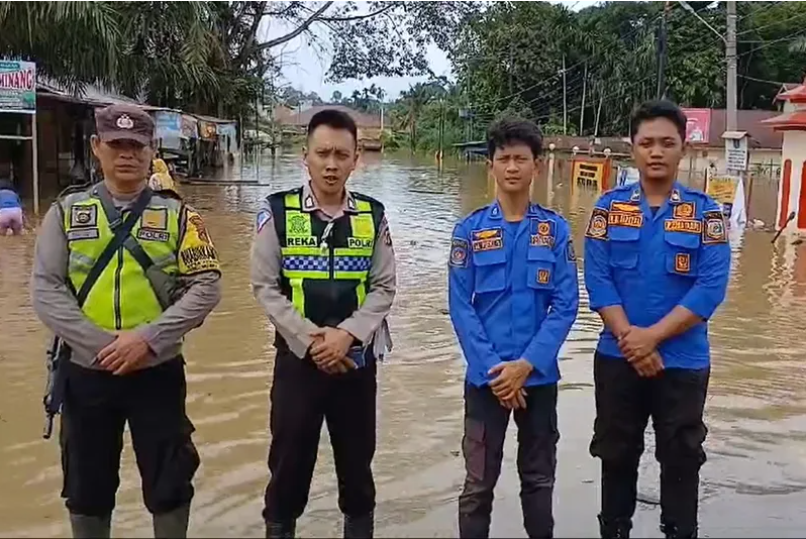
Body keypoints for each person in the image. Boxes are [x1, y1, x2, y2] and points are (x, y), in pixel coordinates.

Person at [31, 104, 222, 539]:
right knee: (86, 487)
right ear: (97, 147)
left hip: (157, 372)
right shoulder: (66, 213)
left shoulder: (180, 216)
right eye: (116, 144)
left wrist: (148, 340)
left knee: (171, 481)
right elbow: (46, 290)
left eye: (136, 145)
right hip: (85, 374)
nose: (127, 154)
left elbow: (207, 286)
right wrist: (101, 344)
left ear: (151, 150)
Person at [583, 100, 731, 539]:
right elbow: (597, 276)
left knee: (682, 457)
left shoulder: (707, 214)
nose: (656, 152)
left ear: (684, 148)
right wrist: (632, 339)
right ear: (633, 148)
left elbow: (710, 288)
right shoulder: (607, 210)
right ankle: (614, 531)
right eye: (647, 142)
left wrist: (652, 338)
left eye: (667, 142)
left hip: (683, 362)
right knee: (616, 454)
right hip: (617, 356)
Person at [251, 109, 396, 539]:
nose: (331, 164)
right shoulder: (276, 211)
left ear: (357, 159)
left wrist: (347, 334)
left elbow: (384, 287)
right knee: (288, 467)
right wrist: (313, 340)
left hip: (356, 363)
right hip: (298, 363)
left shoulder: (373, 215)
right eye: (322, 153)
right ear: (305, 156)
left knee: (357, 468)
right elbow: (264, 286)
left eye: (341, 154)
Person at [448, 118, 579, 539]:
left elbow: (565, 305)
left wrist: (526, 365)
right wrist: (496, 370)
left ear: (536, 166)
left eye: (521, 158)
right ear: (491, 166)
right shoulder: (469, 232)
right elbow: (460, 308)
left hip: (538, 381)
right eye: (503, 158)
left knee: (539, 482)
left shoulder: (555, 231)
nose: (512, 167)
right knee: (477, 487)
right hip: (485, 382)